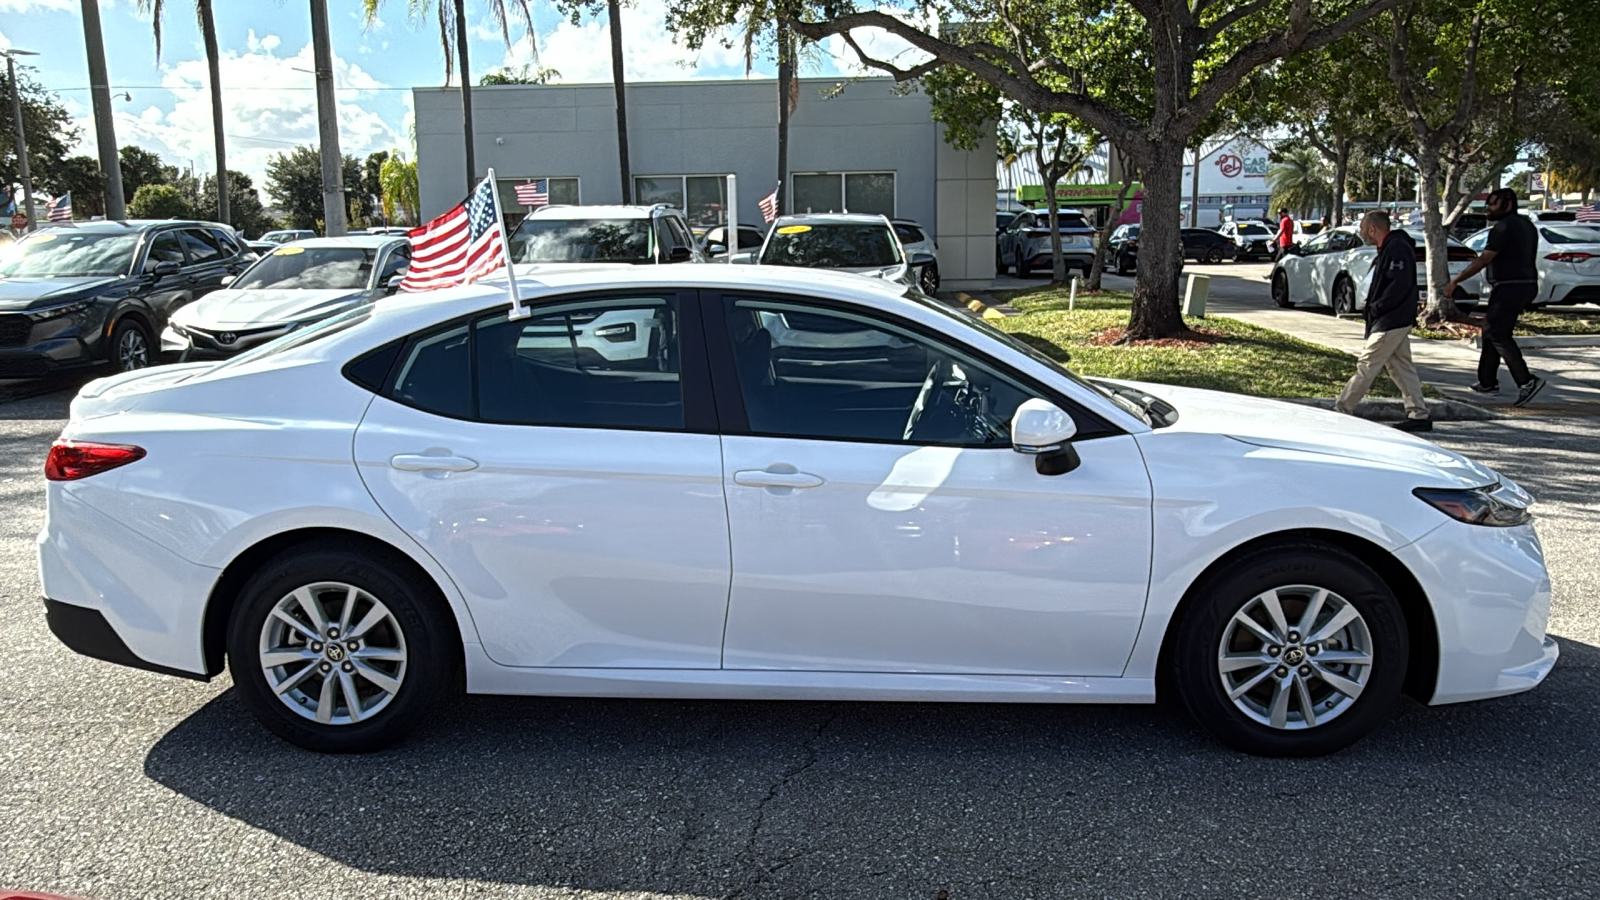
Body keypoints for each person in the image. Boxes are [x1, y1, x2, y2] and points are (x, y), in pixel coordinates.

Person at [1444, 188, 1546, 406]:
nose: (1488, 208)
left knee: (1498, 333)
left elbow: (1484, 259)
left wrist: (1455, 281)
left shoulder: (1503, 227)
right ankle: (1487, 381)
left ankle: (1527, 381)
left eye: (1493, 204)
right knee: (1491, 329)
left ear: (1507, 204)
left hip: (1510, 287)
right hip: (1525, 285)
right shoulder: (1526, 225)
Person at [1335, 210, 1432, 431]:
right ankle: (1419, 413)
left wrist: (1377, 308)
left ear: (1372, 229)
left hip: (1390, 319)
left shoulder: (1396, 248)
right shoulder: (1392, 247)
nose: (1361, 233)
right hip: (1394, 318)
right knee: (1401, 366)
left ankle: (1342, 409)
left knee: (1367, 364)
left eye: (1362, 228)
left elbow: (1398, 285)